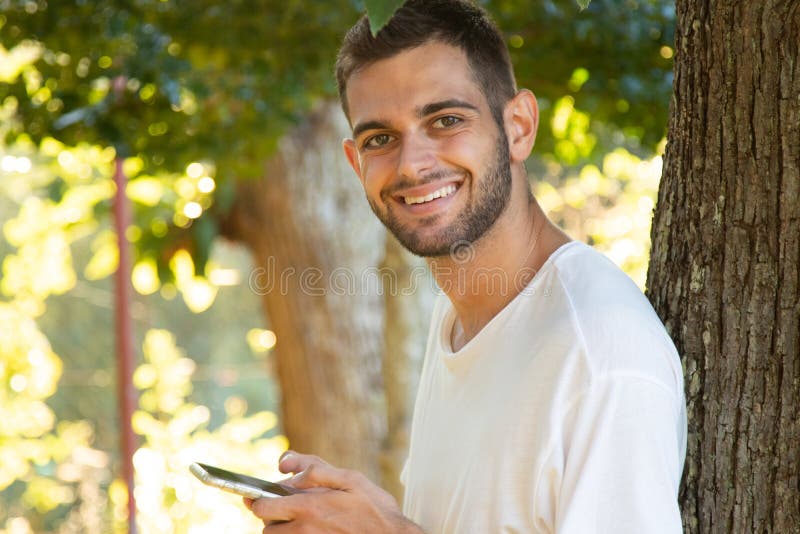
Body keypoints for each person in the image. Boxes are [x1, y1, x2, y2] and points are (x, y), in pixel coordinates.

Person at [246, 1, 687, 532]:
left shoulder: (597, 352)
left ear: (518, 126)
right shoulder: (457, 318)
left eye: (446, 120)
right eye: (379, 139)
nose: (412, 165)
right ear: (355, 163)